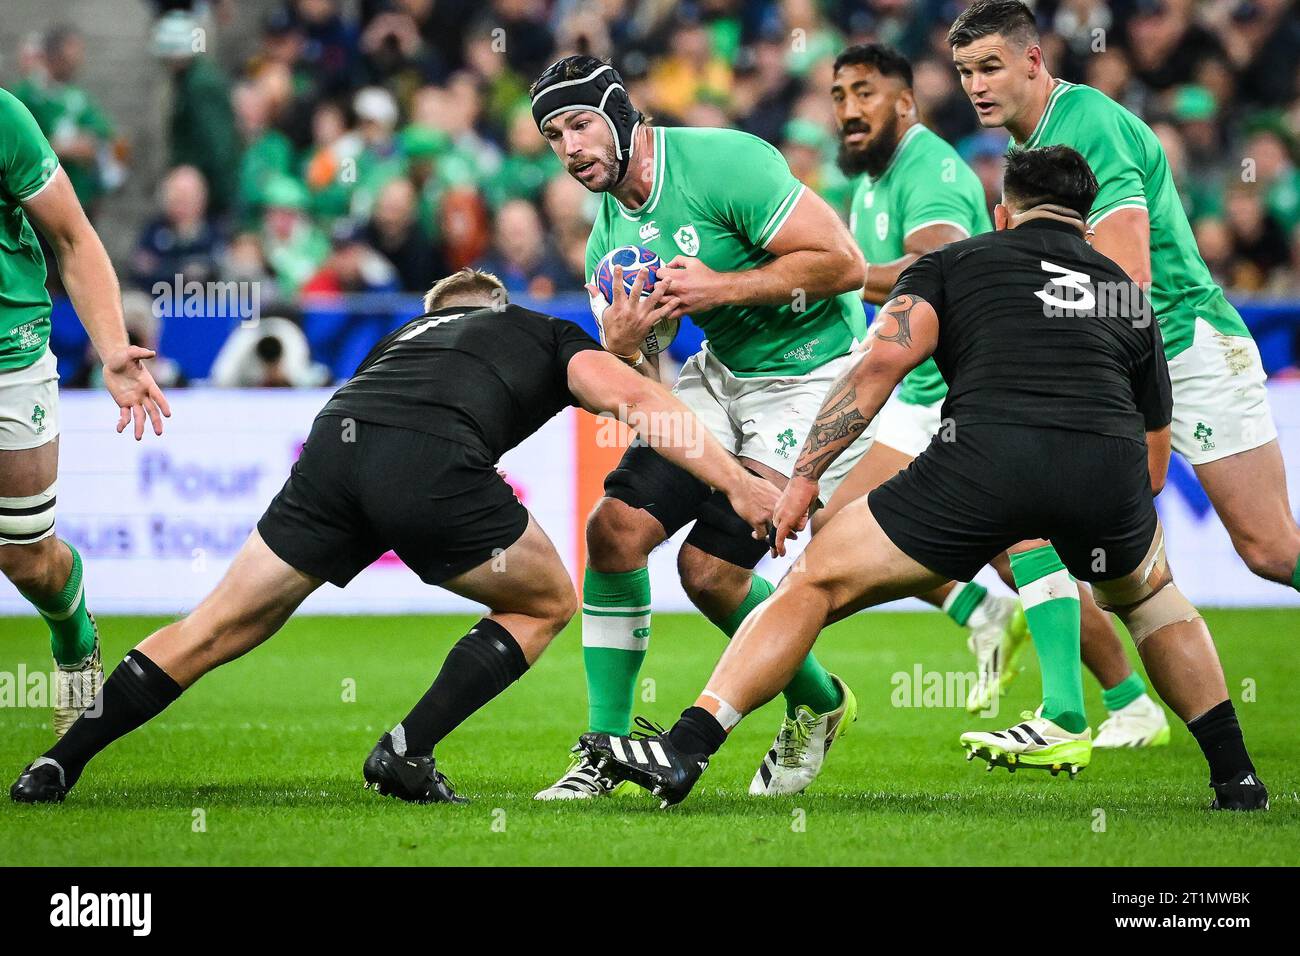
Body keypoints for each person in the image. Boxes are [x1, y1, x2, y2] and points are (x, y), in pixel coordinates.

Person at [579, 147, 1267, 813]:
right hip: (1108, 471)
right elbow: (1152, 461)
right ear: (1087, 224)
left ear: (1002, 213)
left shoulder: (954, 264)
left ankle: (687, 746)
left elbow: (874, 374)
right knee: (1156, 606)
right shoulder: (1130, 299)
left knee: (813, 582)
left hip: (981, 466)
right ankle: (1236, 777)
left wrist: (803, 480)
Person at [9, 269, 777, 805]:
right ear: (495, 306)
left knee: (213, 627)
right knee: (546, 601)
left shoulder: (399, 343)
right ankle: (407, 750)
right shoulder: (538, 329)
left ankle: (58, 761)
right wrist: (738, 481)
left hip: (334, 453)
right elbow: (642, 404)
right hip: (430, 460)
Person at [947, 5, 1300, 734]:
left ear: (1034, 61)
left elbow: (1127, 279)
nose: (976, 86)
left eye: (990, 67)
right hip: (1112, 364)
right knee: (1034, 523)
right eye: (964, 72)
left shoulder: (1090, 125)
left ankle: (1107, 709)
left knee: (1270, 550)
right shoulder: (1027, 154)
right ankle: (1086, 711)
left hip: (1185, 349)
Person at [528, 55, 870, 801]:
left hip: (814, 378)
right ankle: (602, 752)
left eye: (580, 123)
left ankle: (816, 699)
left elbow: (845, 264)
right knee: (613, 531)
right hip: (720, 376)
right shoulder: (605, 245)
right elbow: (645, 389)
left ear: (621, 112)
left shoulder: (724, 160)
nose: (570, 147)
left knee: (710, 574)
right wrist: (622, 349)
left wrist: (723, 287)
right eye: (553, 135)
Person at [825, 42, 1169, 748]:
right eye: (837, 95)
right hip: (928, 395)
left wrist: (828, 272)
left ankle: (1029, 651)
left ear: (905, 102)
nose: (848, 109)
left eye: (864, 92)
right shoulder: (870, 178)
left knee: (849, 538)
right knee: (1017, 549)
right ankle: (1122, 695)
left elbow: (935, 264)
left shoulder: (930, 168)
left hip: (952, 391)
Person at [0, 89, 170, 737]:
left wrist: (111, 350)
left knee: (26, 558)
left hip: (8, 354)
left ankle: (74, 636)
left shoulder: (6, 118)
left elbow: (72, 238)